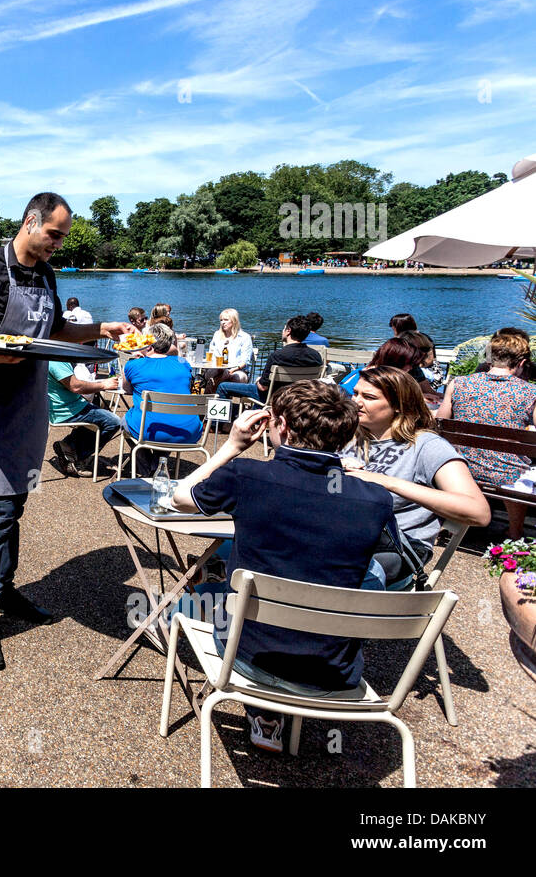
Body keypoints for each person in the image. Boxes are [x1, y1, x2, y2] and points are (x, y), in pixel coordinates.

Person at [0, 191, 133, 671]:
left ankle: (5, 590)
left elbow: (52, 334)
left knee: (18, 500)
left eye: (62, 236)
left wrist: (101, 329)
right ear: (31, 222)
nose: (58, 243)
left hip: (31, 395)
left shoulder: (47, 274)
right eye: (54, 233)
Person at [171, 381, 395, 753]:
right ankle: (270, 716)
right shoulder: (375, 498)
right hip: (331, 674)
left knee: (203, 601)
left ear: (284, 426)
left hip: (245, 660)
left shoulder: (247, 476)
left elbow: (180, 498)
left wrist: (232, 446)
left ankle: (263, 710)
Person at [341, 366, 490, 587]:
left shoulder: (426, 446)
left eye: (368, 397)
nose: (356, 402)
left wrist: (386, 482)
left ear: (400, 406)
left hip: (397, 545)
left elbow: (478, 512)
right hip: (344, 531)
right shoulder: (348, 435)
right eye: (355, 394)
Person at [436, 329, 536, 538]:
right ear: (521, 363)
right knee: (517, 465)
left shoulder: (459, 383)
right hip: (507, 472)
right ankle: (515, 531)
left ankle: (452, 521)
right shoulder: (530, 392)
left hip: (460, 466)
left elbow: (442, 423)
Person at [120, 323, 201, 473]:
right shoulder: (184, 363)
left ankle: (147, 469)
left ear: (149, 345)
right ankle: (158, 463)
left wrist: (138, 360)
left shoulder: (134, 365)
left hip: (150, 432)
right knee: (164, 418)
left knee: (125, 420)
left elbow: (126, 389)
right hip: (188, 432)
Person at [216, 315, 322, 405]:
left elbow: (262, 387)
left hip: (275, 397)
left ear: (288, 331)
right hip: (301, 400)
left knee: (223, 387)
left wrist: (258, 381)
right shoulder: (316, 356)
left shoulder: (278, 356)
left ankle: (223, 423)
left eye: (284, 328)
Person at [48, 359, 121, 477]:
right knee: (114, 421)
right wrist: (103, 385)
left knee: (100, 418)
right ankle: (76, 457)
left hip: (68, 405)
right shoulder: (56, 360)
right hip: (67, 409)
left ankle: (68, 445)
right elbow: (76, 387)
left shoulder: (53, 355)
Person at [204, 308, 253, 389]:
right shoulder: (217, 335)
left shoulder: (244, 337)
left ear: (234, 321)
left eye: (226, 320)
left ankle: (211, 395)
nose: (223, 322)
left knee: (237, 377)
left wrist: (232, 370)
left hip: (237, 369)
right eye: (221, 320)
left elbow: (245, 361)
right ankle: (212, 396)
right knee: (210, 374)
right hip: (217, 368)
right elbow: (211, 354)